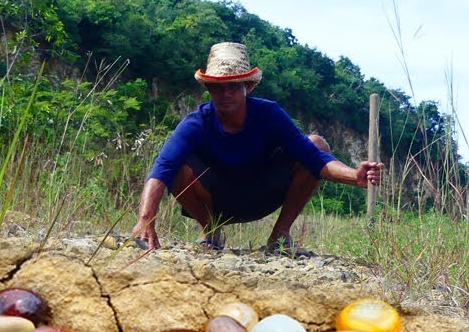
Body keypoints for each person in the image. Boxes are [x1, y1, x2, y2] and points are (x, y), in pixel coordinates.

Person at [129, 42, 383, 254]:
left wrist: (354, 175)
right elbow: (161, 170)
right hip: (216, 201)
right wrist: (145, 219)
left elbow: (315, 158)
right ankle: (211, 231)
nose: (225, 93)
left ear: (247, 87)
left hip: (263, 195)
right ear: (208, 88)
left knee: (315, 142)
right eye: (218, 86)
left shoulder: (269, 113)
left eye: (233, 85)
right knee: (176, 165)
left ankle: (279, 236)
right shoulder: (196, 123)